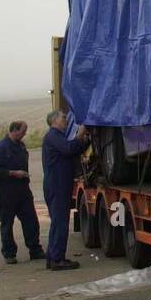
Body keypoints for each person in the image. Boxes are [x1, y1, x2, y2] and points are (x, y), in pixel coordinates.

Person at [0, 120, 44, 264]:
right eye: (23, 131)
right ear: (14, 129)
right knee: (7, 224)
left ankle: (35, 249)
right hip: (5, 192)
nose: (25, 133)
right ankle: (9, 253)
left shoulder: (21, 146)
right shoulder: (0, 148)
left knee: (31, 221)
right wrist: (13, 173)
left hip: (23, 191)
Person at [41, 109, 88, 271]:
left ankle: (53, 257)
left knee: (58, 222)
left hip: (58, 184)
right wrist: (80, 134)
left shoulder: (56, 136)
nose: (66, 120)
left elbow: (72, 149)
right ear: (54, 121)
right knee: (60, 222)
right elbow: (68, 149)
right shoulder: (53, 136)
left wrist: (84, 141)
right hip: (57, 185)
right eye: (63, 117)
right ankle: (57, 259)